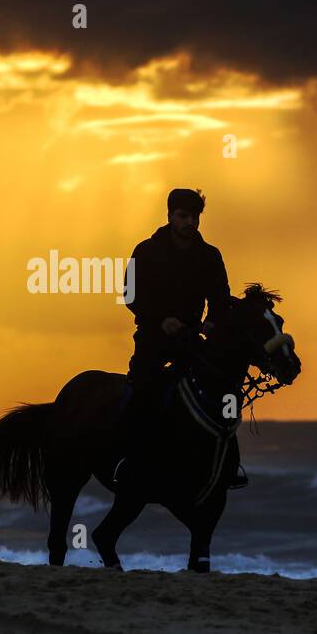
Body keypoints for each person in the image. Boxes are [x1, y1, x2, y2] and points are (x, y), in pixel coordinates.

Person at [118, 188, 231, 471]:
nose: (190, 222)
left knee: (223, 385)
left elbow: (220, 297)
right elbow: (131, 294)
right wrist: (161, 320)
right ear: (170, 216)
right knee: (143, 390)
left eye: (195, 217)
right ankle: (126, 459)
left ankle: (225, 461)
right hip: (152, 339)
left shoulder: (210, 256)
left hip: (193, 340)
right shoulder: (146, 251)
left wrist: (213, 321)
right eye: (183, 216)